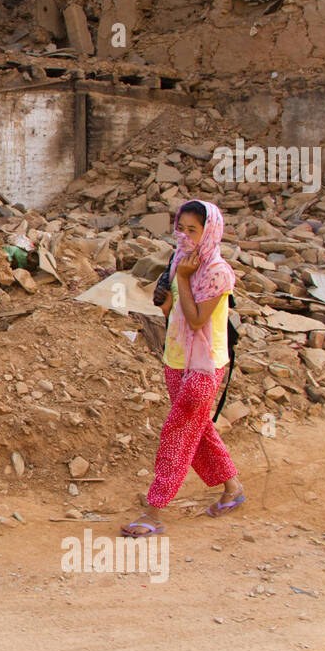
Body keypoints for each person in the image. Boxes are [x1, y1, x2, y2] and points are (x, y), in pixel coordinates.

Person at [123, 199, 245, 537]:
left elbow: (196, 320)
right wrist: (165, 296)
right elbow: (171, 315)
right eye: (182, 229)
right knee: (198, 428)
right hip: (176, 359)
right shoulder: (179, 262)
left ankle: (154, 512)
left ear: (210, 231)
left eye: (193, 230)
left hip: (204, 367)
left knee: (177, 433)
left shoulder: (217, 272)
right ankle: (232, 489)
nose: (186, 237)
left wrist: (186, 280)